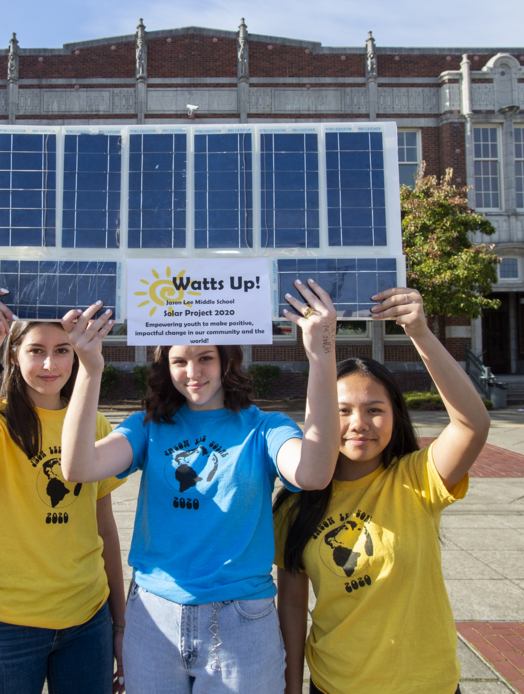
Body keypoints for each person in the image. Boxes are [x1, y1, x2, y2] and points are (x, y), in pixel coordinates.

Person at [59, 280, 343, 694]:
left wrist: (321, 356)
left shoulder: (265, 428)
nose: (193, 373)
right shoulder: (148, 427)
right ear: (165, 365)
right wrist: (89, 367)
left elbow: (314, 473)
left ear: (227, 360)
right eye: (180, 361)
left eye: (205, 358)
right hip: (153, 617)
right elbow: (79, 466)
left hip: (242, 621)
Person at [273, 288, 491, 694]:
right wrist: (290, 686)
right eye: (342, 411)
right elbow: (291, 606)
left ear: (395, 416)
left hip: (429, 684)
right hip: (336, 684)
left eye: (375, 409)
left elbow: (472, 425)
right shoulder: (293, 506)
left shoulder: (418, 479)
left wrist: (420, 332)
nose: (360, 423)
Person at [0, 285, 126, 694]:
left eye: (62, 350)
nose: (49, 364)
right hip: (5, 624)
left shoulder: (92, 424)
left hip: (87, 617)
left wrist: (119, 621)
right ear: (14, 355)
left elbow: (105, 528)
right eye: (36, 350)